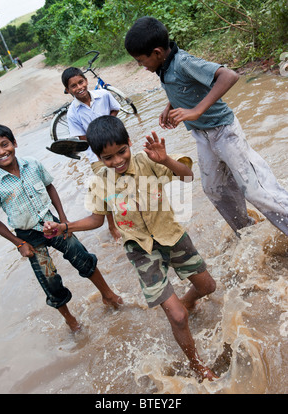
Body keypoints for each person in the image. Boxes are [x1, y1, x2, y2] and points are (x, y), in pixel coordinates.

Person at [44, 115, 218, 381]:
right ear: (98, 158)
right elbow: (96, 219)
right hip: (140, 250)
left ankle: (187, 300)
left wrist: (166, 160)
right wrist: (65, 227)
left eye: (121, 152)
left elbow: (187, 177)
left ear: (129, 142)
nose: (117, 161)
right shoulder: (100, 180)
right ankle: (197, 365)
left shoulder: (150, 160)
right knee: (178, 316)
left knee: (208, 287)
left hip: (171, 235)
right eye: (108, 158)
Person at [124, 17, 288, 237]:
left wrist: (197, 110)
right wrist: (170, 105)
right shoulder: (164, 66)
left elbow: (229, 76)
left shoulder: (183, 62)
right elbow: (183, 87)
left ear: (157, 53)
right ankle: (247, 232)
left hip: (224, 131)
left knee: (257, 191)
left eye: (140, 60)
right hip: (202, 135)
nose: (140, 65)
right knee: (215, 190)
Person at [0, 124, 123, 333]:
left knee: (81, 256)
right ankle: (70, 320)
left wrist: (63, 219)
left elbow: (50, 186)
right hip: (27, 236)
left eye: (4, 144)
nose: (1, 152)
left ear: (14, 143)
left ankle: (108, 294)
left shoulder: (32, 164)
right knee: (49, 280)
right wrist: (19, 243)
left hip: (52, 223)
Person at [61, 66, 121, 240]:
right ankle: (112, 225)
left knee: (129, 180)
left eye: (81, 82)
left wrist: (111, 125)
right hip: (95, 155)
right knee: (106, 189)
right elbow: (82, 138)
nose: (79, 87)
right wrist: (100, 139)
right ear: (67, 90)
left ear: (86, 81)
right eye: (73, 86)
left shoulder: (103, 95)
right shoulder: (73, 113)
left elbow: (114, 110)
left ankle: (135, 215)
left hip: (116, 145)